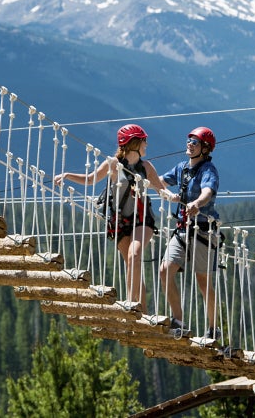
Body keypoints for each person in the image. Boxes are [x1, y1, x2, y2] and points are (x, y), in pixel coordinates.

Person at [54, 123, 167, 306]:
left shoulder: (146, 167)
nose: (146, 144)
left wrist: (181, 199)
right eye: (144, 141)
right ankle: (143, 314)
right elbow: (90, 180)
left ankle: (130, 304)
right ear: (134, 143)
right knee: (133, 265)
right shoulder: (113, 164)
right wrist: (67, 175)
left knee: (134, 256)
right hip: (120, 222)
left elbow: (162, 191)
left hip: (142, 219)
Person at [159, 126, 221, 340]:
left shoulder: (208, 170)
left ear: (205, 148)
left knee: (203, 282)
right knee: (165, 270)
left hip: (203, 231)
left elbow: (207, 191)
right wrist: (141, 183)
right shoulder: (182, 168)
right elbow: (159, 181)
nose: (190, 144)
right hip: (183, 229)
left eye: (195, 142)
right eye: (189, 139)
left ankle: (213, 328)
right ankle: (178, 321)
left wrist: (196, 203)